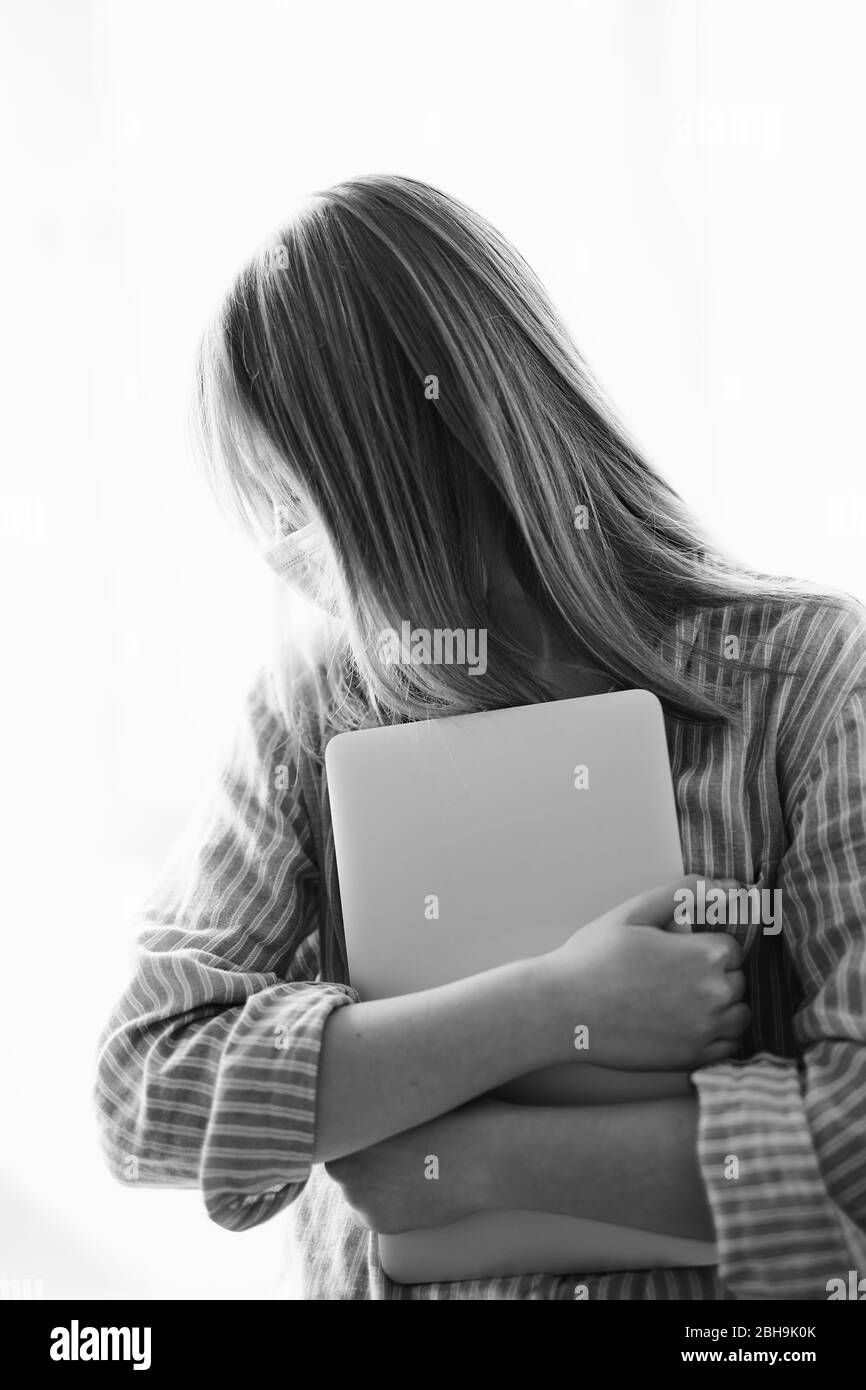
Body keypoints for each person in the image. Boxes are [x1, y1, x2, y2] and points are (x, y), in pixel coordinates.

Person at [95, 174, 866, 1300]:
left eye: (291, 501)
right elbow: (142, 1090)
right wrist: (554, 1006)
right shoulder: (311, 706)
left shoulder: (803, 676)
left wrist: (454, 1162)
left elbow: (853, 1146)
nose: (272, 553)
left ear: (407, 478)